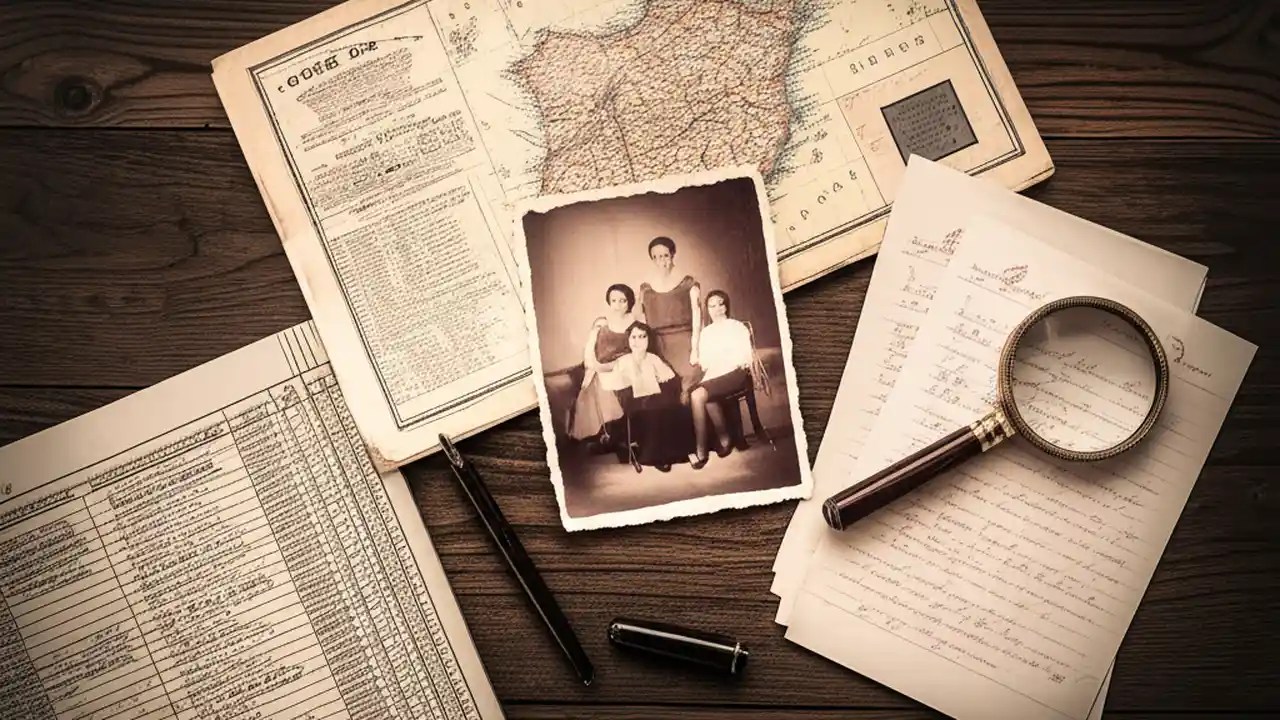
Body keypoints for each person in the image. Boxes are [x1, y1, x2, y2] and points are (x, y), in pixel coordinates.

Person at [615, 322, 695, 472]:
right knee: (653, 410)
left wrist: (662, 383)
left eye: (642, 337)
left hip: (654, 395)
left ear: (648, 340)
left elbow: (671, 379)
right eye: (634, 337)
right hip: (634, 400)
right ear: (628, 340)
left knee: (674, 408)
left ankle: (678, 453)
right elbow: (619, 387)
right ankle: (656, 456)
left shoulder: (653, 358)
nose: (638, 341)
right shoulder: (623, 361)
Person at [688, 290, 755, 469]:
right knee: (701, 396)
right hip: (715, 374)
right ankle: (725, 439)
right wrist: (698, 357)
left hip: (736, 372)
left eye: (720, 304)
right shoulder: (706, 333)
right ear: (707, 309)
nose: (717, 308)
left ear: (726, 306)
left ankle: (701, 451)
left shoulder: (737, 327)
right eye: (712, 305)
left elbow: (746, 356)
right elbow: (705, 364)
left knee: (697, 396)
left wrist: (731, 361)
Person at [568, 284, 635, 444]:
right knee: (595, 385)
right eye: (613, 301)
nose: (617, 306)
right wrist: (594, 367)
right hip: (598, 367)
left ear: (629, 302)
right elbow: (590, 354)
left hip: (622, 368)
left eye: (622, 301)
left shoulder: (633, 325)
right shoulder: (603, 325)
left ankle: (620, 434)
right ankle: (603, 432)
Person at [636, 237, 700, 403]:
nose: (661, 261)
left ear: (673, 255)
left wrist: (695, 348)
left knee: (688, 384)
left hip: (685, 341)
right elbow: (641, 320)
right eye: (656, 257)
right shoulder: (646, 288)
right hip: (657, 345)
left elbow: (698, 316)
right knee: (660, 388)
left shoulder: (687, 283)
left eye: (665, 255)